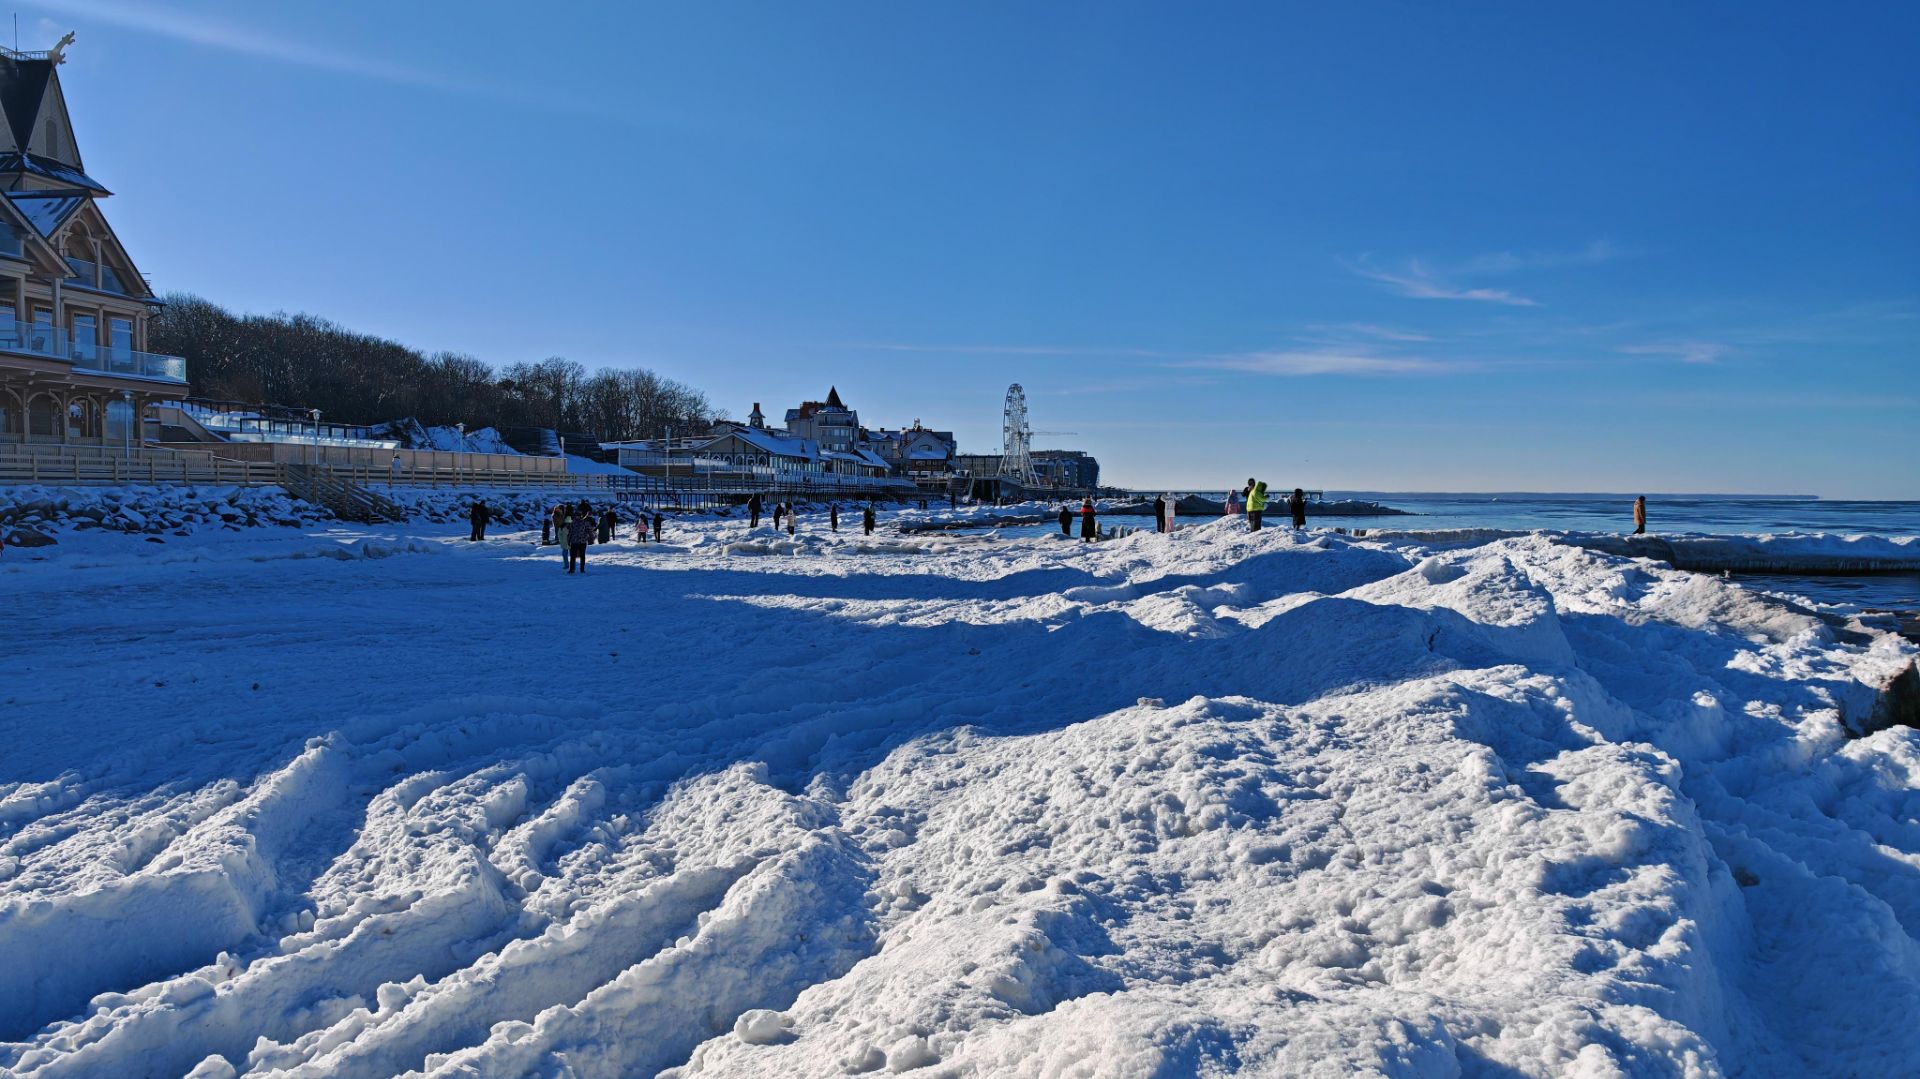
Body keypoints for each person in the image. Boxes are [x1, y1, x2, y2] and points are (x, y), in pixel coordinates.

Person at [566, 499, 594, 573]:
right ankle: (577, 569)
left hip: (577, 541)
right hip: (580, 541)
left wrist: (591, 538)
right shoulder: (582, 522)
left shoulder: (574, 522)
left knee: (576, 556)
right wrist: (591, 538)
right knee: (578, 556)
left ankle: (576, 569)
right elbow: (590, 531)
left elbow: (568, 530)